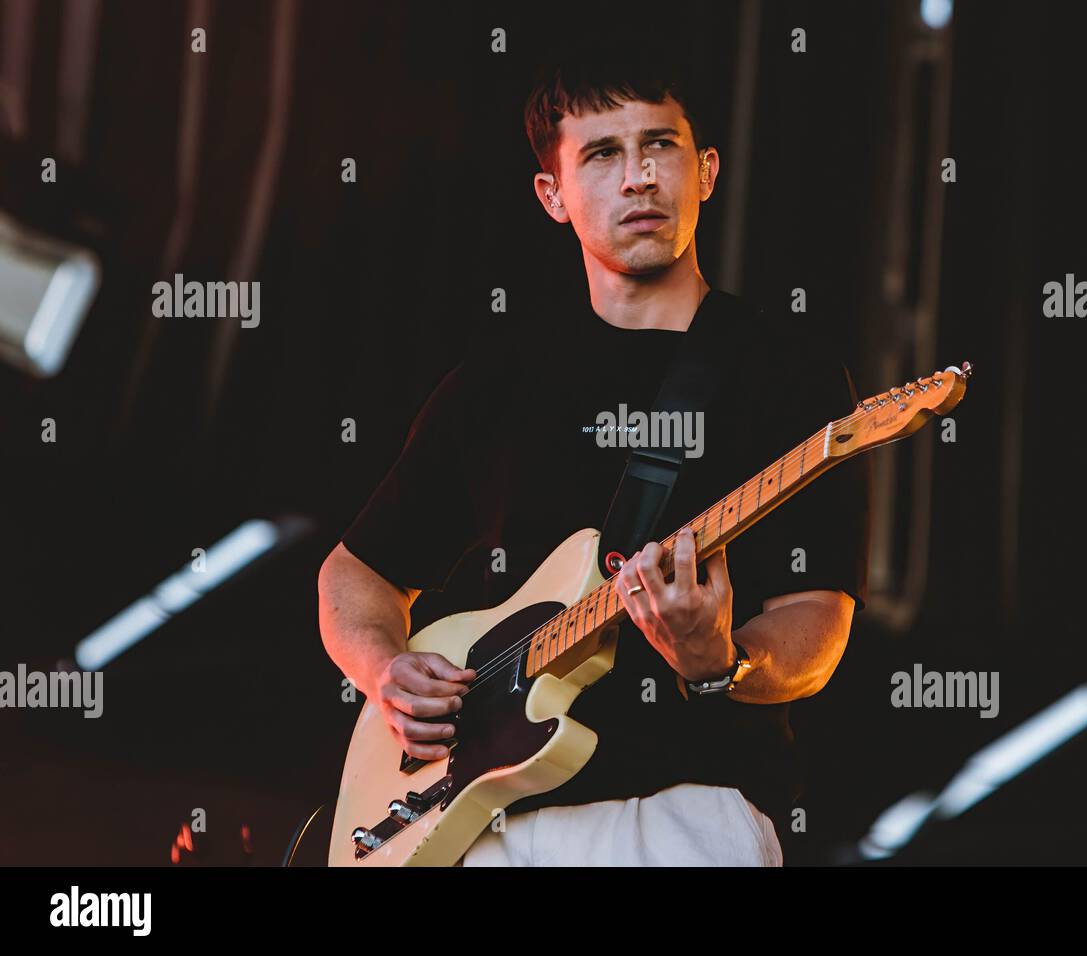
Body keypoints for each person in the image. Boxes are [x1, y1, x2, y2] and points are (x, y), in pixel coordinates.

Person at [318, 47, 868, 866]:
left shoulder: (789, 374)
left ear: (707, 171)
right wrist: (387, 667)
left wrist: (721, 660)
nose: (639, 177)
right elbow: (353, 574)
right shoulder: (499, 379)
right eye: (603, 154)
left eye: (661, 146)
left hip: (686, 813)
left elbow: (817, 623)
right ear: (553, 194)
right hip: (479, 815)